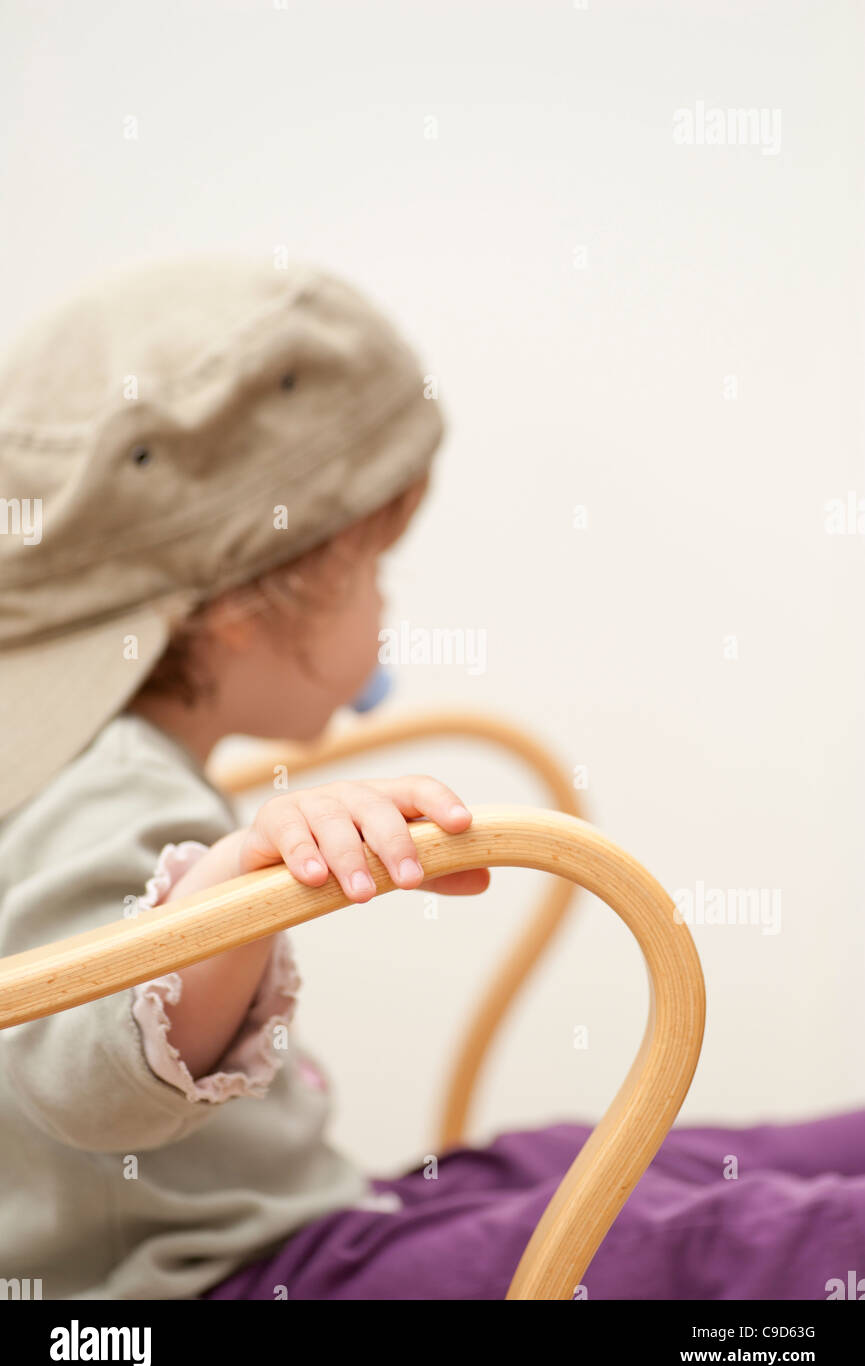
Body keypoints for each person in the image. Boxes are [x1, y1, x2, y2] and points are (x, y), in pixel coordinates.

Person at [0, 255, 862, 1302]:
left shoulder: (90, 761)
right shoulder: (106, 783)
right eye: (374, 572)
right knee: (723, 1247)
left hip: (310, 1227)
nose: (386, 612)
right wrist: (234, 886)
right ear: (243, 601)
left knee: (584, 1159)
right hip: (227, 1281)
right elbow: (88, 1081)